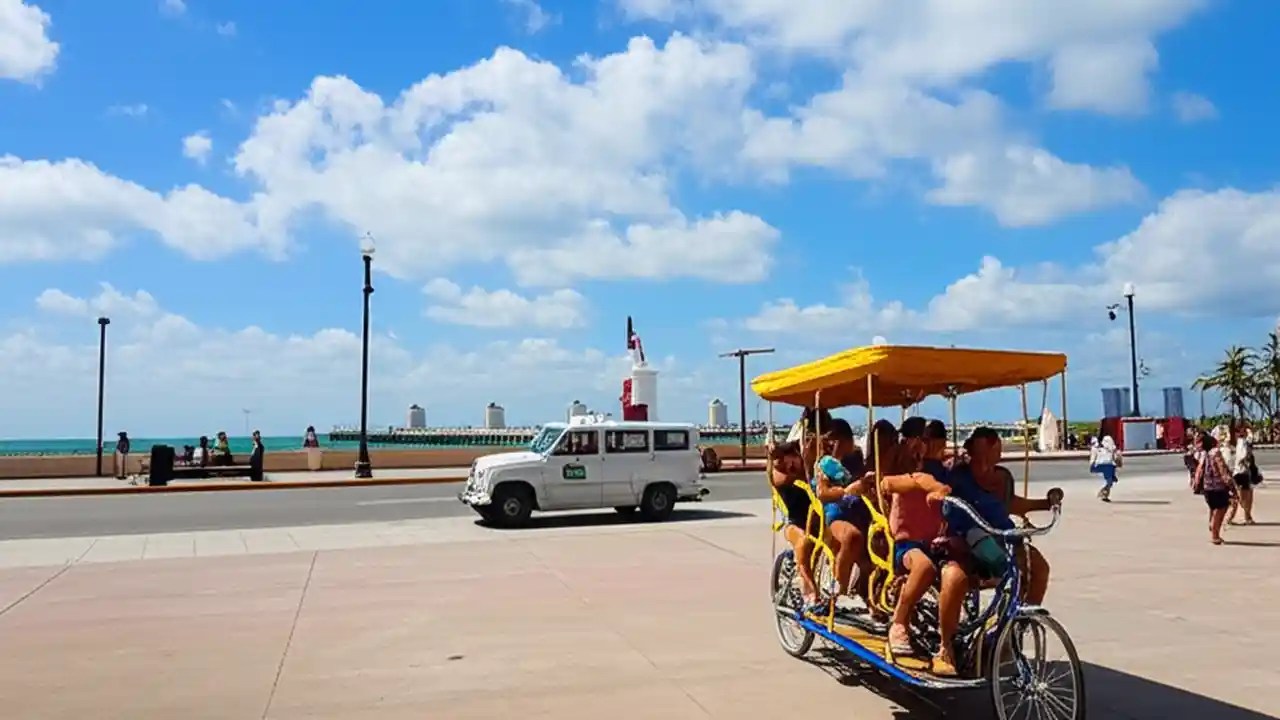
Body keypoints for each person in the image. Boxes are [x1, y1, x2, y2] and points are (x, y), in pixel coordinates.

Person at [880, 416, 969, 677]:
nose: (923, 448)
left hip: (936, 541)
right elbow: (905, 482)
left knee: (962, 571)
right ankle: (899, 621)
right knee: (924, 566)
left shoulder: (939, 470)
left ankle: (949, 641)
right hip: (907, 544)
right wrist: (930, 484)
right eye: (920, 442)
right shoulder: (896, 474)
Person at [957, 427, 1058, 605]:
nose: (1001, 456)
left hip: (1005, 536)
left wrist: (1045, 503)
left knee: (1039, 568)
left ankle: (1021, 620)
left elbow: (1010, 503)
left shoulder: (1003, 477)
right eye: (997, 450)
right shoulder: (958, 476)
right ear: (984, 449)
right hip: (973, 541)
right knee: (1011, 568)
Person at [812, 419, 872, 608]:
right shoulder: (825, 463)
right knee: (852, 537)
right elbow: (822, 493)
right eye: (829, 440)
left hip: (860, 510)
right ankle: (839, 590)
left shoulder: (857, 459)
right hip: (836, 511)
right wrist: (847, 491)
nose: (831, 444)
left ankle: (867, 593)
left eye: (835, 440)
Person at [770, 440, 821, 607]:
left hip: (816, 521)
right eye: (786, 460)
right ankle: (807, 584)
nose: (790, 463)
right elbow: (780, 476)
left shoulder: (809, 470)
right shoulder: (782, 475)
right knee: (804, 541)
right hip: (794, 523)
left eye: (793, 458)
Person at [1192, 432, 1236, 545]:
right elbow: (1222, 469)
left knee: (1214, 508)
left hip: (1207, 487)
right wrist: (1230, 484)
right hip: (1218, 487)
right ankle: (1215, 534)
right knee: (1221, 509)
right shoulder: (1215, 453)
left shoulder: (1204, 454)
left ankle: (1212, 526)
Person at [1227, 422, 1258, 525]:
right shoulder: (1241, 442)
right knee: (1244, 496)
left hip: (1241, 471)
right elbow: (1242, 455)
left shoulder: (1238, 441)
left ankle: (1246, 516)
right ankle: (1244, 516)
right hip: (1241, 471)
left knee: (1245, 495)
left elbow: (1251, 437)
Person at [1091, 435, 1121, 502]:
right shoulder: (1100, 449)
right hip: (1106, 466)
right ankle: (1104, 494)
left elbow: (1115, 458)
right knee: (1110, 481)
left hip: (1110, 467)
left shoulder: (1112, 449)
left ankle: (1104, 493)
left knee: (1110, 482)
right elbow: (1094, 457)